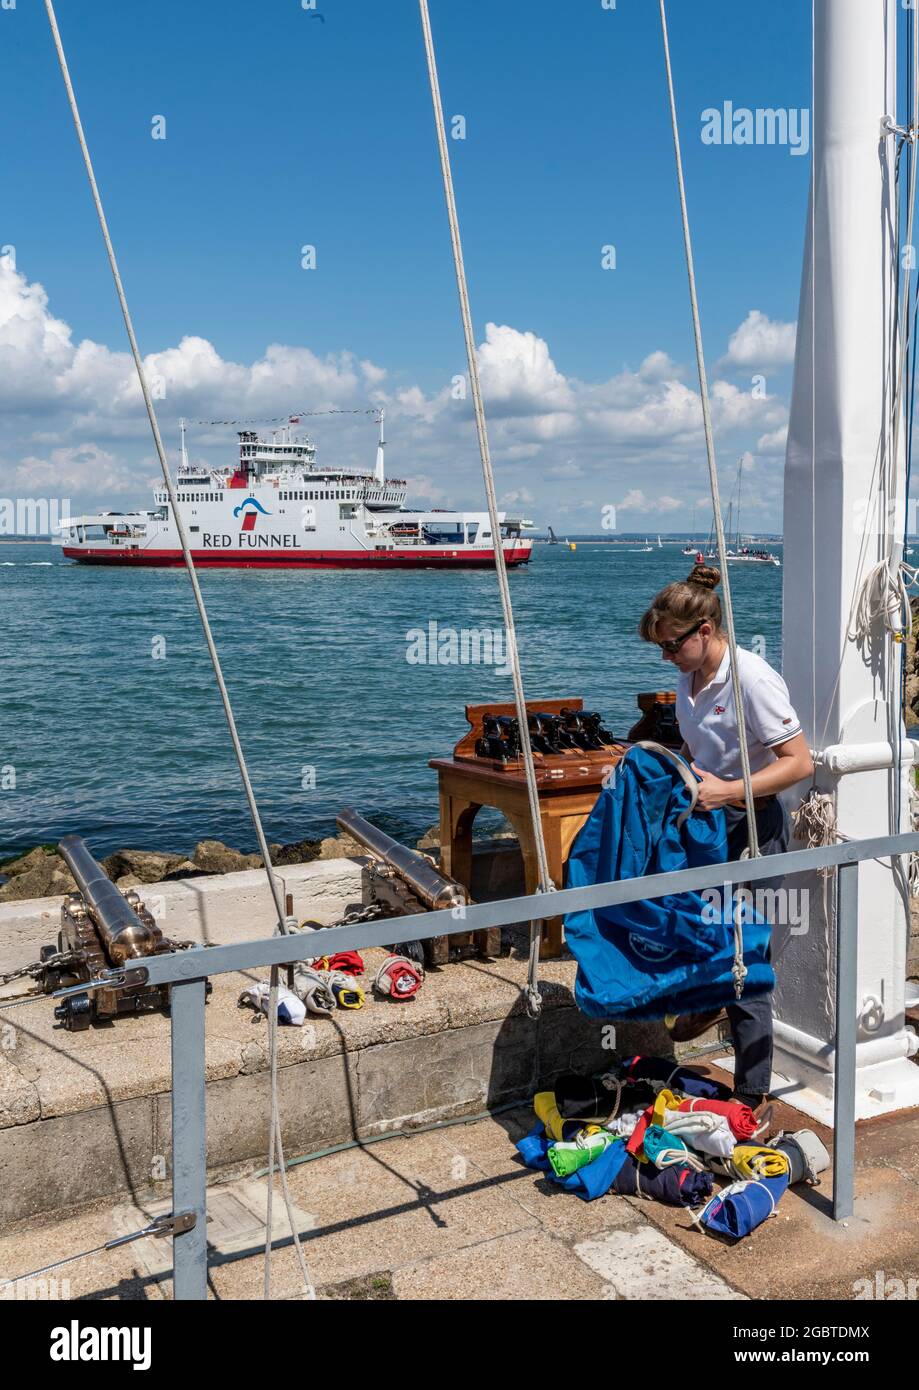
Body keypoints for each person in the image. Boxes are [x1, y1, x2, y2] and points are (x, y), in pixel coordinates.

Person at [637, 564, 813, 1110]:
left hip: (754, 827)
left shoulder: (752, 679)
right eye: (661, 648)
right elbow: (703, 751)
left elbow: (799, 762)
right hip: (711, 823)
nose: (666, 657)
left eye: (671, 646)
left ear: (705, 632)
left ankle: (753, 1093)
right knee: (686, 921)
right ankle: (705, 997)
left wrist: (729, 789)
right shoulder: (688, 680)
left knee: (746, 955)